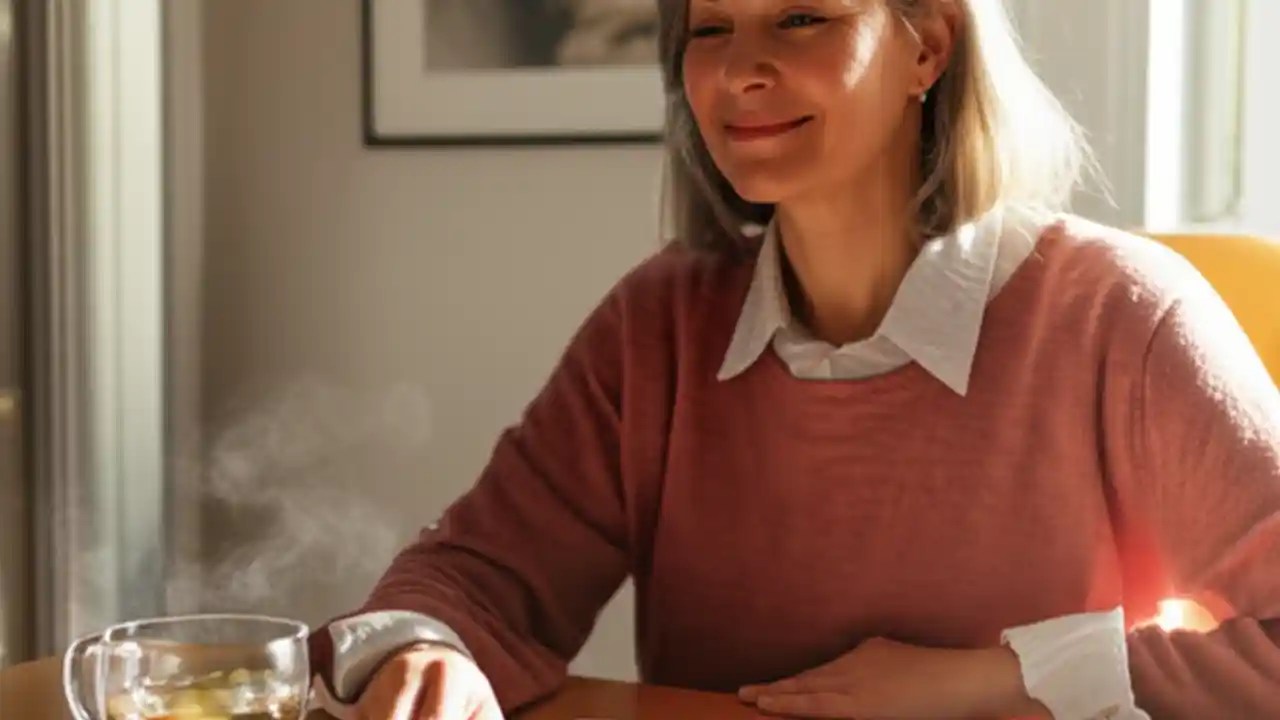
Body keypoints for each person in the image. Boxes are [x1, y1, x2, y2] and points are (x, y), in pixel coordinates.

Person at [311, 0, 1280, 718]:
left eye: (801, 19)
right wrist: (426, 650)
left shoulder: (1122, 317)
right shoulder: (657, 326)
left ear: (927, 45)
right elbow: (474, 580)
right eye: (709, 29)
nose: (739, 72)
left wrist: (990, 678)